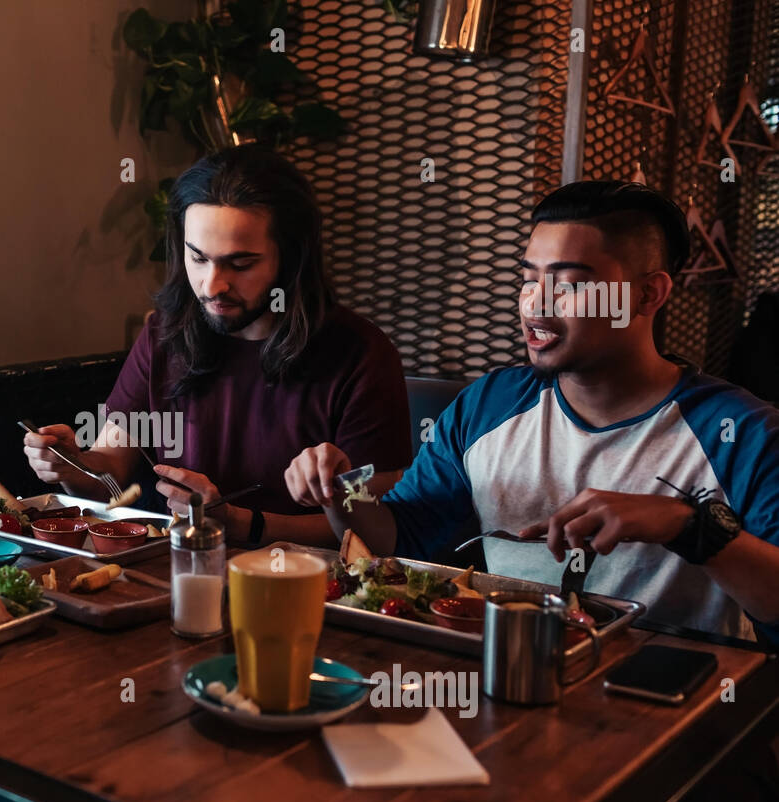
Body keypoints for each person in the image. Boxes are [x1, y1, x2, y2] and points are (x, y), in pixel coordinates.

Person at [286, 180, 779, 645]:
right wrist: (340, 489)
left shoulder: (740, 432)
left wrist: (686, 525)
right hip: (512, 669)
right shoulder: (490, 404)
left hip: (674, 703)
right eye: (529, 279)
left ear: (647, 294)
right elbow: (403, 540)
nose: (536, 303)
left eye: (568, 284)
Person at [23, 146, 411, 549]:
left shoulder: (360, 354)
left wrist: (238, 523)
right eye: (198, 258)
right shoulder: (165, 334)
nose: (212, 285)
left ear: (292, 258)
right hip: (176, 574)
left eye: (240, 265)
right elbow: (109, 475)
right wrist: (70, 465)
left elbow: (378, 536)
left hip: (305, 588)